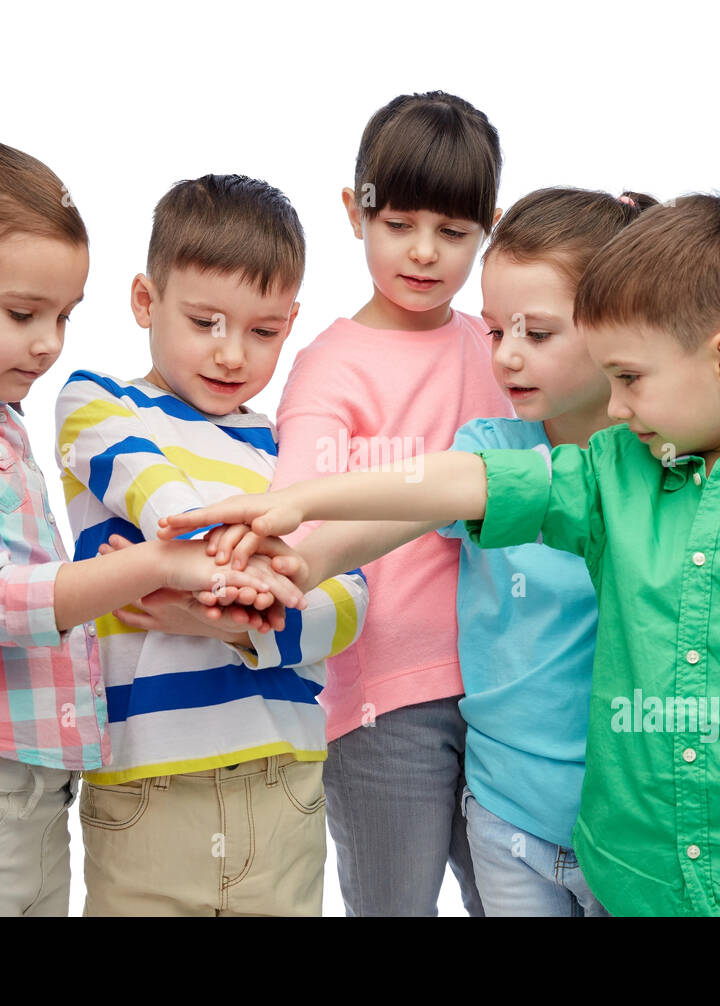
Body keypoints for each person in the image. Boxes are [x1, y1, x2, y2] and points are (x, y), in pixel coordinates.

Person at [159, 193, 720, 916]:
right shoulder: (613, 475)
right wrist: (303, 505)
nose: (616, 407)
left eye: (632, 379)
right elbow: (461, 480)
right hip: (621, 872)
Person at [0, 134, 300, 917]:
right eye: (22, 313)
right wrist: (159, 565)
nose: (48, 343)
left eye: (64, 315)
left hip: (35, 790)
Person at [54, 174, 368, 916]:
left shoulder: (289, 447)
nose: (232, 355)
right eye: (205, 322)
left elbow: (350, 599)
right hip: (147, 789)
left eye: (262, 331)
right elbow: (161, 503)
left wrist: (233, 624)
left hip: (282, 779)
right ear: (144, 301)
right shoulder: (98, 401)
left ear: (291, 323)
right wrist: (252, 560)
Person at [259, 90, 513, 916]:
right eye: (399, 223)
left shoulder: (497, 344)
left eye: (454, 232)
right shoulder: (334, 365)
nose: (425, 252)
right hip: (382, 699)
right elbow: (298, 506)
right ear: (355, 212)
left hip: (507, 689)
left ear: (489, 229)